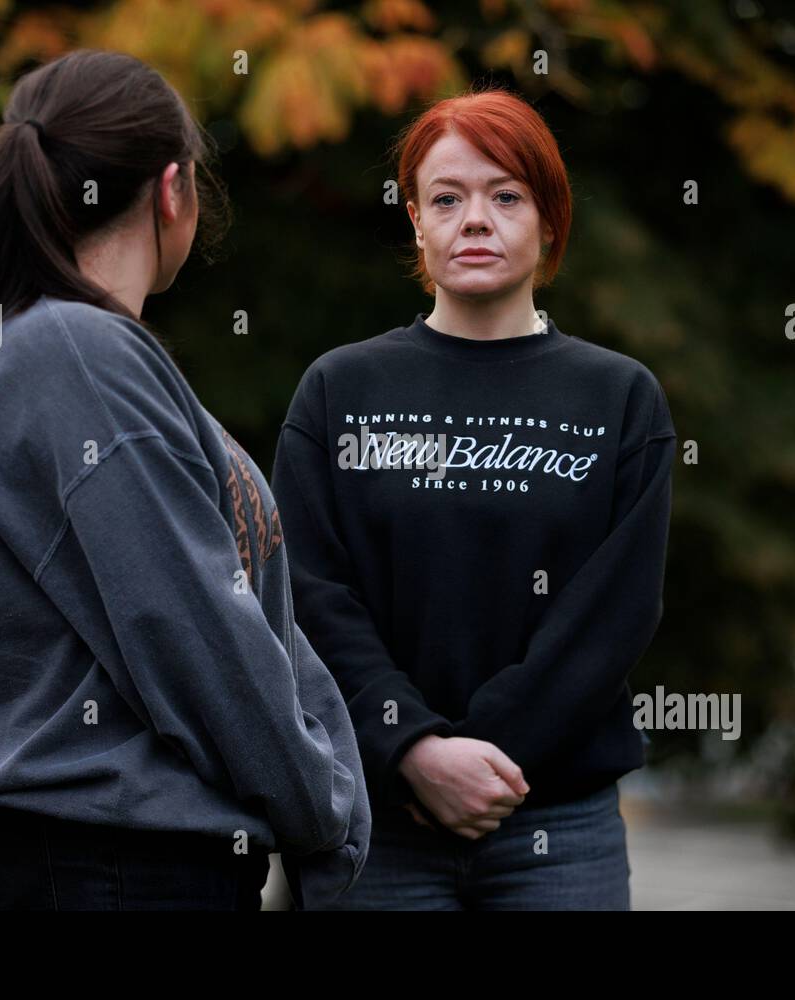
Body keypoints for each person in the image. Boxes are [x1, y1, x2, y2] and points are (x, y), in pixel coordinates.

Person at [0, 49, 369, 911]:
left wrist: (321, 791)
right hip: (115, 861)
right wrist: (323, 808)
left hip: (124, 856)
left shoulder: (72, 354)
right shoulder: (73, 354)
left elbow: (246, 614)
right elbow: (194, 631)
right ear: (172, 189)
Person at [270, 88, 675, 910]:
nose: (476, 219)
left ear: (550, 219)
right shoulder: (340, 390)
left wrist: (482, 756)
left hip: (559, 828)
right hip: (377, 828)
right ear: (416, 222)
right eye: (447, 198)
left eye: (507, 196)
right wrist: (411, 748)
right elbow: (307, 595)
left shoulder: (619, 399)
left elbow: (614, 613)